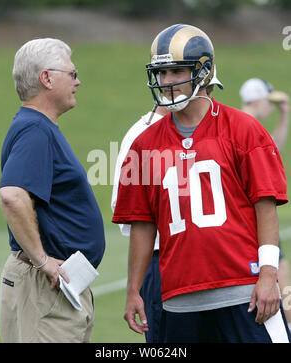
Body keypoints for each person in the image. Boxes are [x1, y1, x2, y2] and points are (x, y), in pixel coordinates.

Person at [112, 24, 291, 343]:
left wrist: (267, 273)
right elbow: (142, 224)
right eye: (161, 72)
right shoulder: (145, 144)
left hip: (243, 290)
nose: (166, 82)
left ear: (204, 72)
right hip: (178, 296)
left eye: (176, 71)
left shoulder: (243, 129)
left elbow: (265, 207)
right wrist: (133, 289)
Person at [0, 38, 105, 343]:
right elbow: (12, 195)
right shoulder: (35, 130)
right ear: (46, 78)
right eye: (72, 74)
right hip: (45, 289)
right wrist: (43, 261)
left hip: (53, 291)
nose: (78, 81)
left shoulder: (37, 127)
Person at [111, 69, 223, 343]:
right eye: (207, 91)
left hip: (213, 265)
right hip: (164, 260)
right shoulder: (142, 136)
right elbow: (128, 209)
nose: (208, 100)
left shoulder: (214, 131)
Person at [240, 78, 291, 331]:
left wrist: (284, 116)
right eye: (269, 103)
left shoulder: (242, 124)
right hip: (256, 224)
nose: (270, 108)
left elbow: (274, 150)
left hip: (254, 224)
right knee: (281, 292)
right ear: (259, 100)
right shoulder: (246, 127)